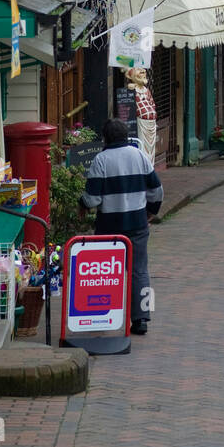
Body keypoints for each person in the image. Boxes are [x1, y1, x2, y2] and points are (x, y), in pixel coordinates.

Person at [80, 118, 163, 336]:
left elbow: (93, 199)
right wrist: (151, 212)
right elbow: (156, 190)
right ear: (126, 136)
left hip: (109, 227)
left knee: (104, 272)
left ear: (105, 138)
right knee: (141, 271)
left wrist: (82, 202)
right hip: (137, 224)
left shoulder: (101, 160)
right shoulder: (140, 155)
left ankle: (102, 314)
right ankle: (142, 318)